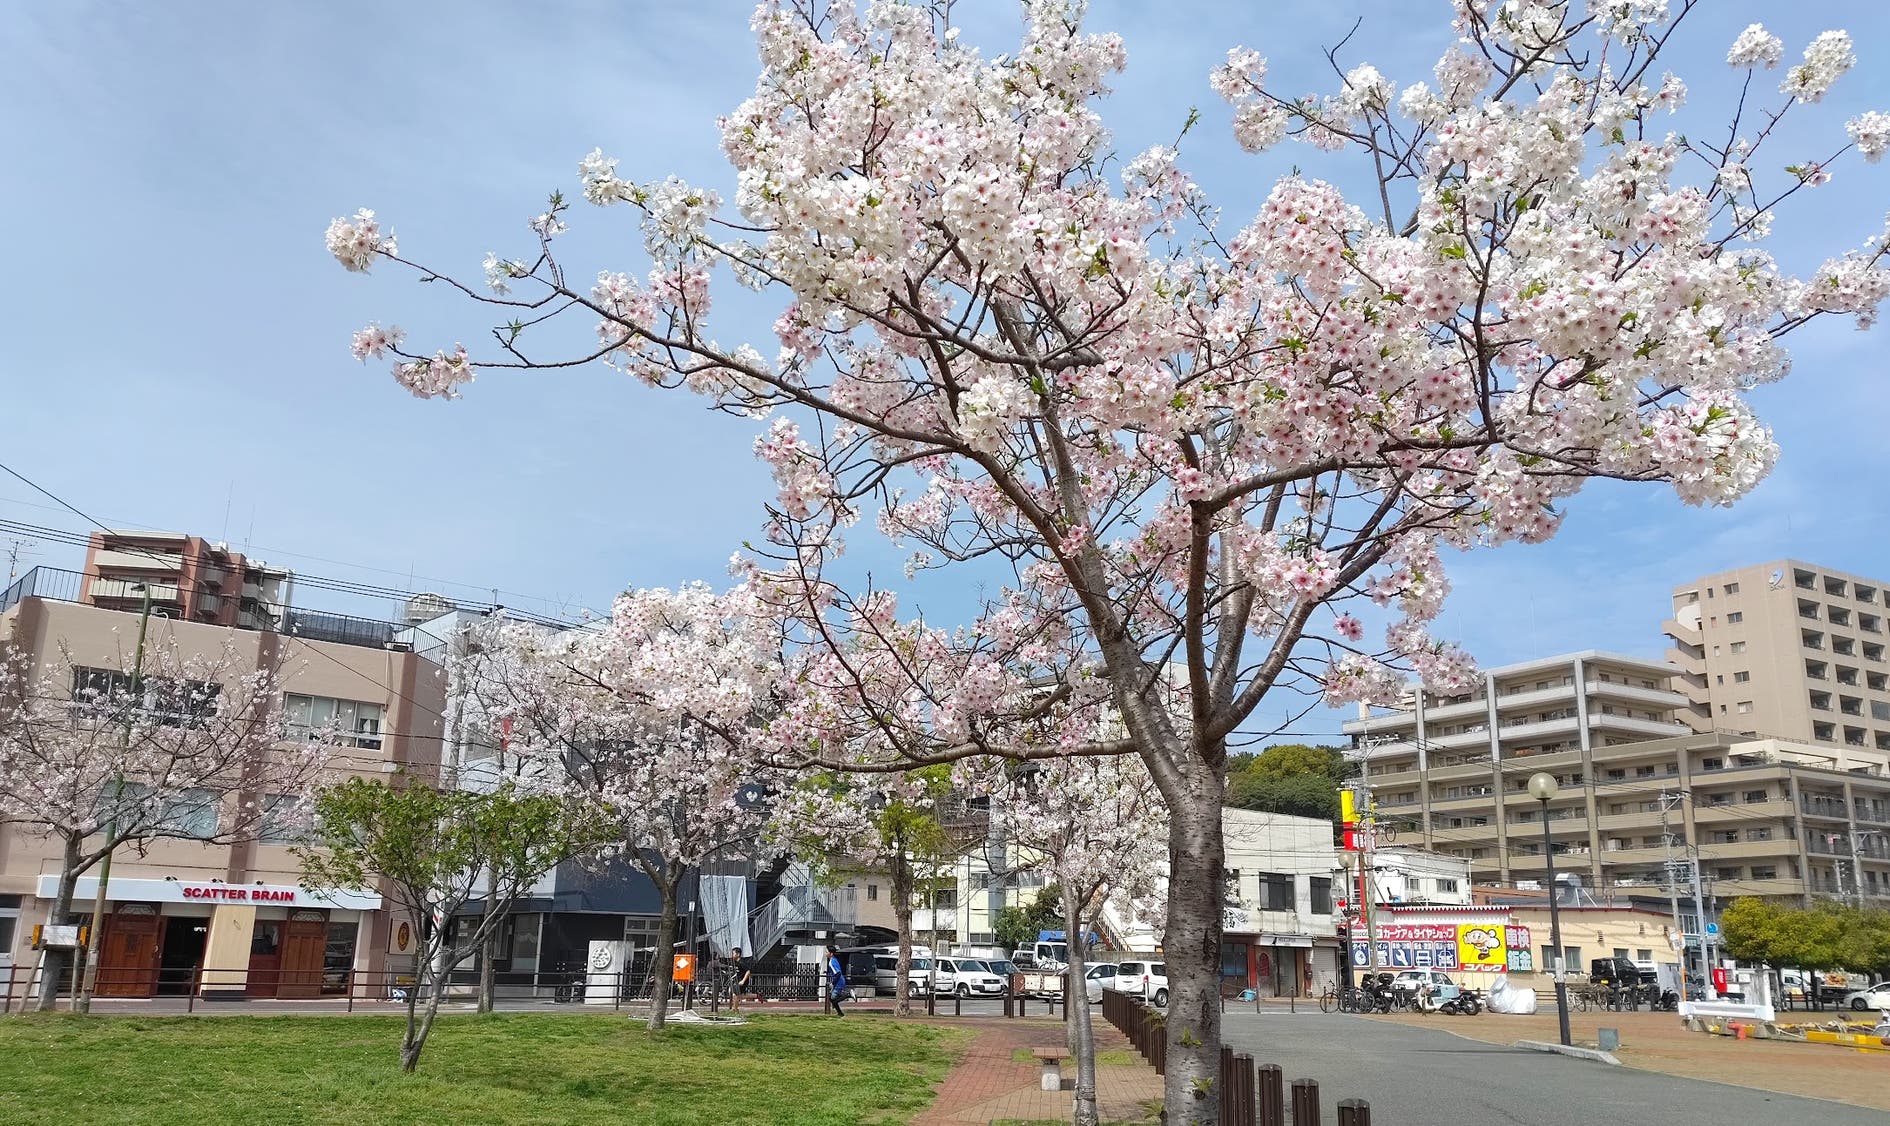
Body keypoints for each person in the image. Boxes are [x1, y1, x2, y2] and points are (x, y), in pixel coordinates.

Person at [727, 947, 753, 1014]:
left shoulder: (742, 962)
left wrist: (743, 981)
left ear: (738, 954)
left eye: (733, 953)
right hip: (737, 980)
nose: (732, 955)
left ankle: (735, 1010)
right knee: (736, 995)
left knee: (735, 995)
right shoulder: (736, 962)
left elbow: (748, 971)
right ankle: (735, 1009)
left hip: (742, 981)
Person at [827, 944, 848, 1017]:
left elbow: (838, 973)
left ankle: (848, 995)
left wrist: (832, 983)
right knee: (832, 999)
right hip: (839, 981)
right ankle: (840, 1013)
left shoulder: (831, 962)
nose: (825, 953)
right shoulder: (834, 960)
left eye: (827, 952)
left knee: (833, 999)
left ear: (831, 954)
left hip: (838, 982)